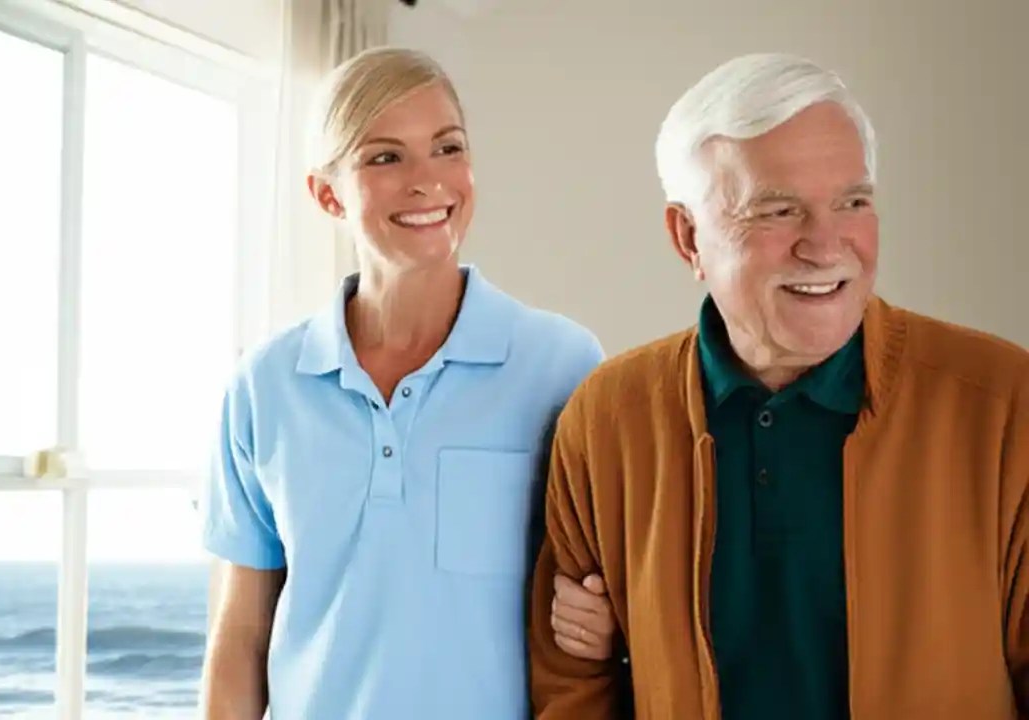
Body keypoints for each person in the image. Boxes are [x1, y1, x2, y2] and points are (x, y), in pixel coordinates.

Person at [530, 52, 1029, 719]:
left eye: (852, 202)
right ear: (688, 238)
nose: (826, 246)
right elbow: (571, 685)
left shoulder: (1001, 404)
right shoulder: (606, 421)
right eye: (777, 211)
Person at [199, 46, 614, 720]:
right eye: (385, 157)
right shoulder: (263, 386)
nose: (429, 182)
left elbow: (603, 594)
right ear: (327, 193)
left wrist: (601, 620)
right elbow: (240, 636)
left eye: (448, 148)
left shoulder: (561, 364)